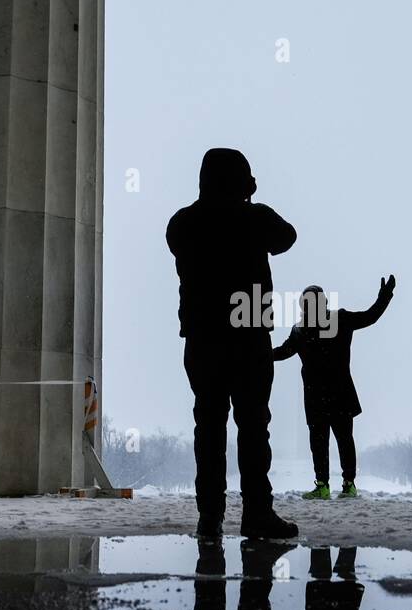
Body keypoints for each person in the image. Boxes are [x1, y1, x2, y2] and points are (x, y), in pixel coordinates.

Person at [166, 148, 298, 539]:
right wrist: (250, 200)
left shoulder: (184, 223)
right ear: (243, 181)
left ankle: (210, 516)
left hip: (203, 338)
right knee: (254, 428)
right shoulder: (254, 218)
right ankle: (257, 512)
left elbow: (181, 244)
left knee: (208, 427)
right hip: (249, 333)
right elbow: (287, 237)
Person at [272, 276, 395, 499]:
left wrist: (257, 354)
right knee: (343, 439)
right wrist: (384, 297)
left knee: (322, 442)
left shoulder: (300, 330)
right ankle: (347, 484)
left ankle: (324, 485)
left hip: (317, 396)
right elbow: (370, 317)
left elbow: (282, 352)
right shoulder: (337, 320)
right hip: (339, 393)